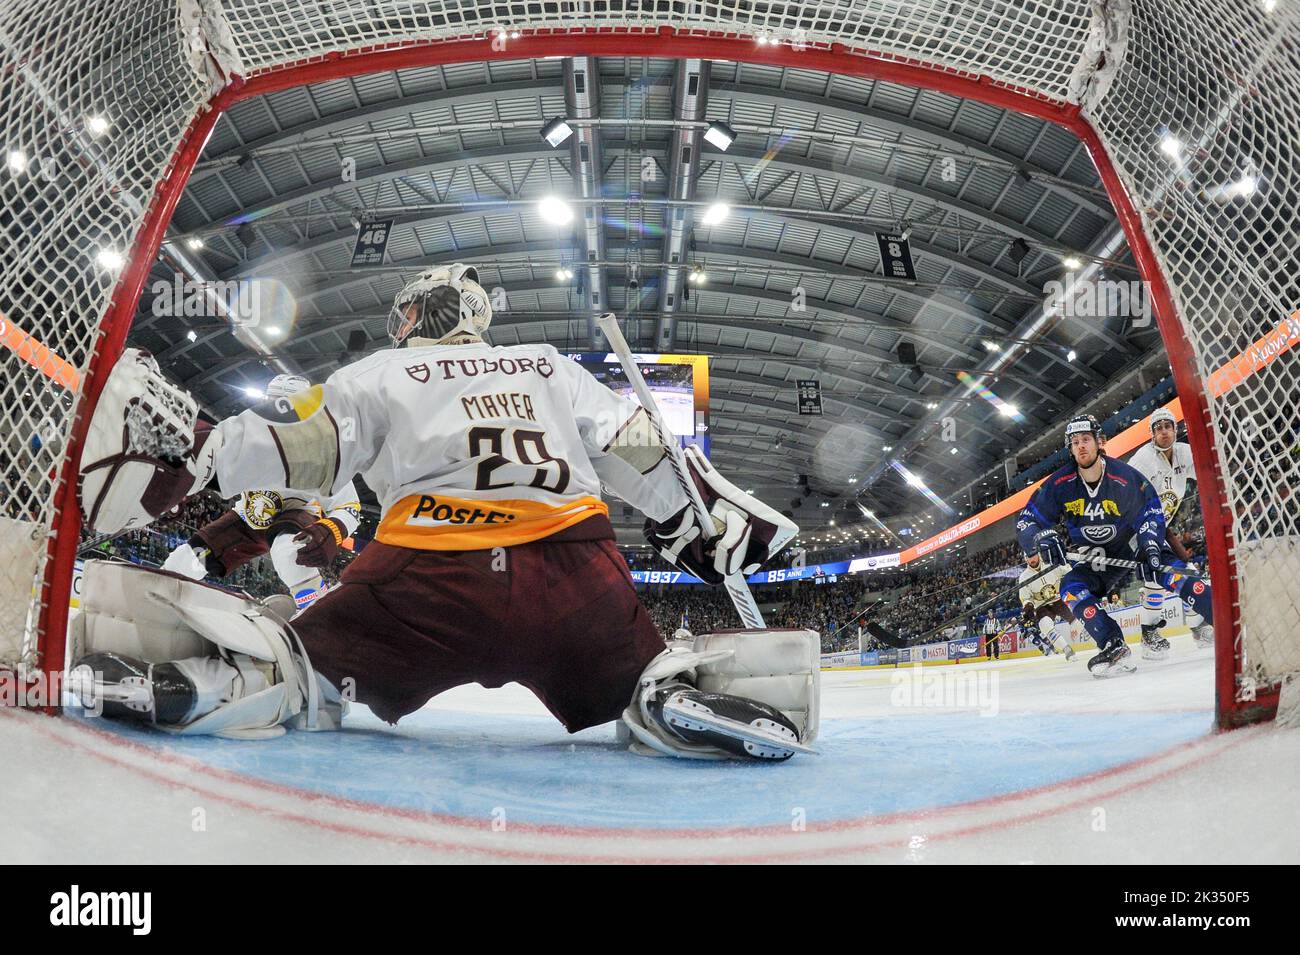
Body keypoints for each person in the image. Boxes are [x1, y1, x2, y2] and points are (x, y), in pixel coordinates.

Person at [72, 264, 813, 760]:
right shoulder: (549, 364)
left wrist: (206, 449)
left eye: (407, 312)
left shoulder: (389, 369)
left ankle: (213, 685)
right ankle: (664, 697)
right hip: (577, 577)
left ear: (428, 311)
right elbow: (643, 447)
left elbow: (315, 450)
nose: (400, 325)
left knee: (303, 668)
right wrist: (697, 517)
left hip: (428, 576)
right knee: (631, 676)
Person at [1016, 414, 1215, 677]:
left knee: (1168, 570)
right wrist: (1040, 539)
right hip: (1095, 559)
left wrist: (1151, 547)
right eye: (1075, 442)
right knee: (1071, 588)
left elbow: (1151, 512)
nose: (1081, 446)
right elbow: (1027, 521)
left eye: (1086, 439)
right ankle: (1113, 643)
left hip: (1132, 546)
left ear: (1099, 441)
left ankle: (1224, 620)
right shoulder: (1059, 484)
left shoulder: (1124, 476)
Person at [159, 374, 362, 612]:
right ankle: (159, 601)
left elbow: (350, 506)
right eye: (274, 403)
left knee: (289, 553)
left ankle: (314, 610)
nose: (279, 413)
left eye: (287, 405)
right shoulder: (244, 434)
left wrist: (332, 529)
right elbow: (205, 463)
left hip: (295, 516)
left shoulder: (324, 453)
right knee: (187, 559)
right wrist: (179, 490)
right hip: (247, 519)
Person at [1126, 407, 1213, 647]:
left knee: (1186, 570)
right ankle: (1149, 632)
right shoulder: (1143, 460)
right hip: (1135, 528)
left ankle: (1197, 627)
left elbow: (1208, 475)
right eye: (1158, 428)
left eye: (1168, 426)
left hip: (1160, 527)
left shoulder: (1184, 453)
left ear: (1176, 429)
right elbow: (1126, 499)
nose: (1164, 432)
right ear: (1152, 434)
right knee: (1159, 573)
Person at [1018, 552, 1076, 660]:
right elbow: (1025, 598)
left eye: (1033, 555)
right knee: (1044, 625)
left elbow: (1069, 572)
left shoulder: (1052, 564)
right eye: (1028, 557)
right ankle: (1067, 649)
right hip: (1042, 606)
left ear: (1038, 554)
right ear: (1025, 559)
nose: (1032, 559)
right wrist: (1028, 606)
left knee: (1077, 621)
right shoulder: (1023, 577)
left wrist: (1070, 571)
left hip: (1061, 599)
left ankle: (1101, 642)